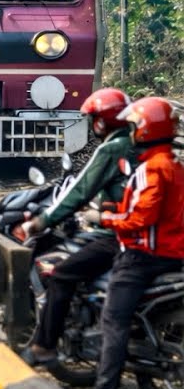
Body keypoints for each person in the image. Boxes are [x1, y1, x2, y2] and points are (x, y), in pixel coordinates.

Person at [84, 97, 184, 389]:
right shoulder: (177, 167)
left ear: (144, 129)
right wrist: (117, 210)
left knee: (113, 322)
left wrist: (103, 220)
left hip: (143, 257)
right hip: (173, 255)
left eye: (133, 126)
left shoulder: (151, 170)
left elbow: (140, 219)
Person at [21, 88, 135, 366]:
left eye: (93, 119)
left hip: (118, 235)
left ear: (100, 122)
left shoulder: (111, 149)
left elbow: (80, 191)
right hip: (138, 230)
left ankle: (44, 347)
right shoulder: (140, 146)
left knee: (61, 274)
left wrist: (42, 221)